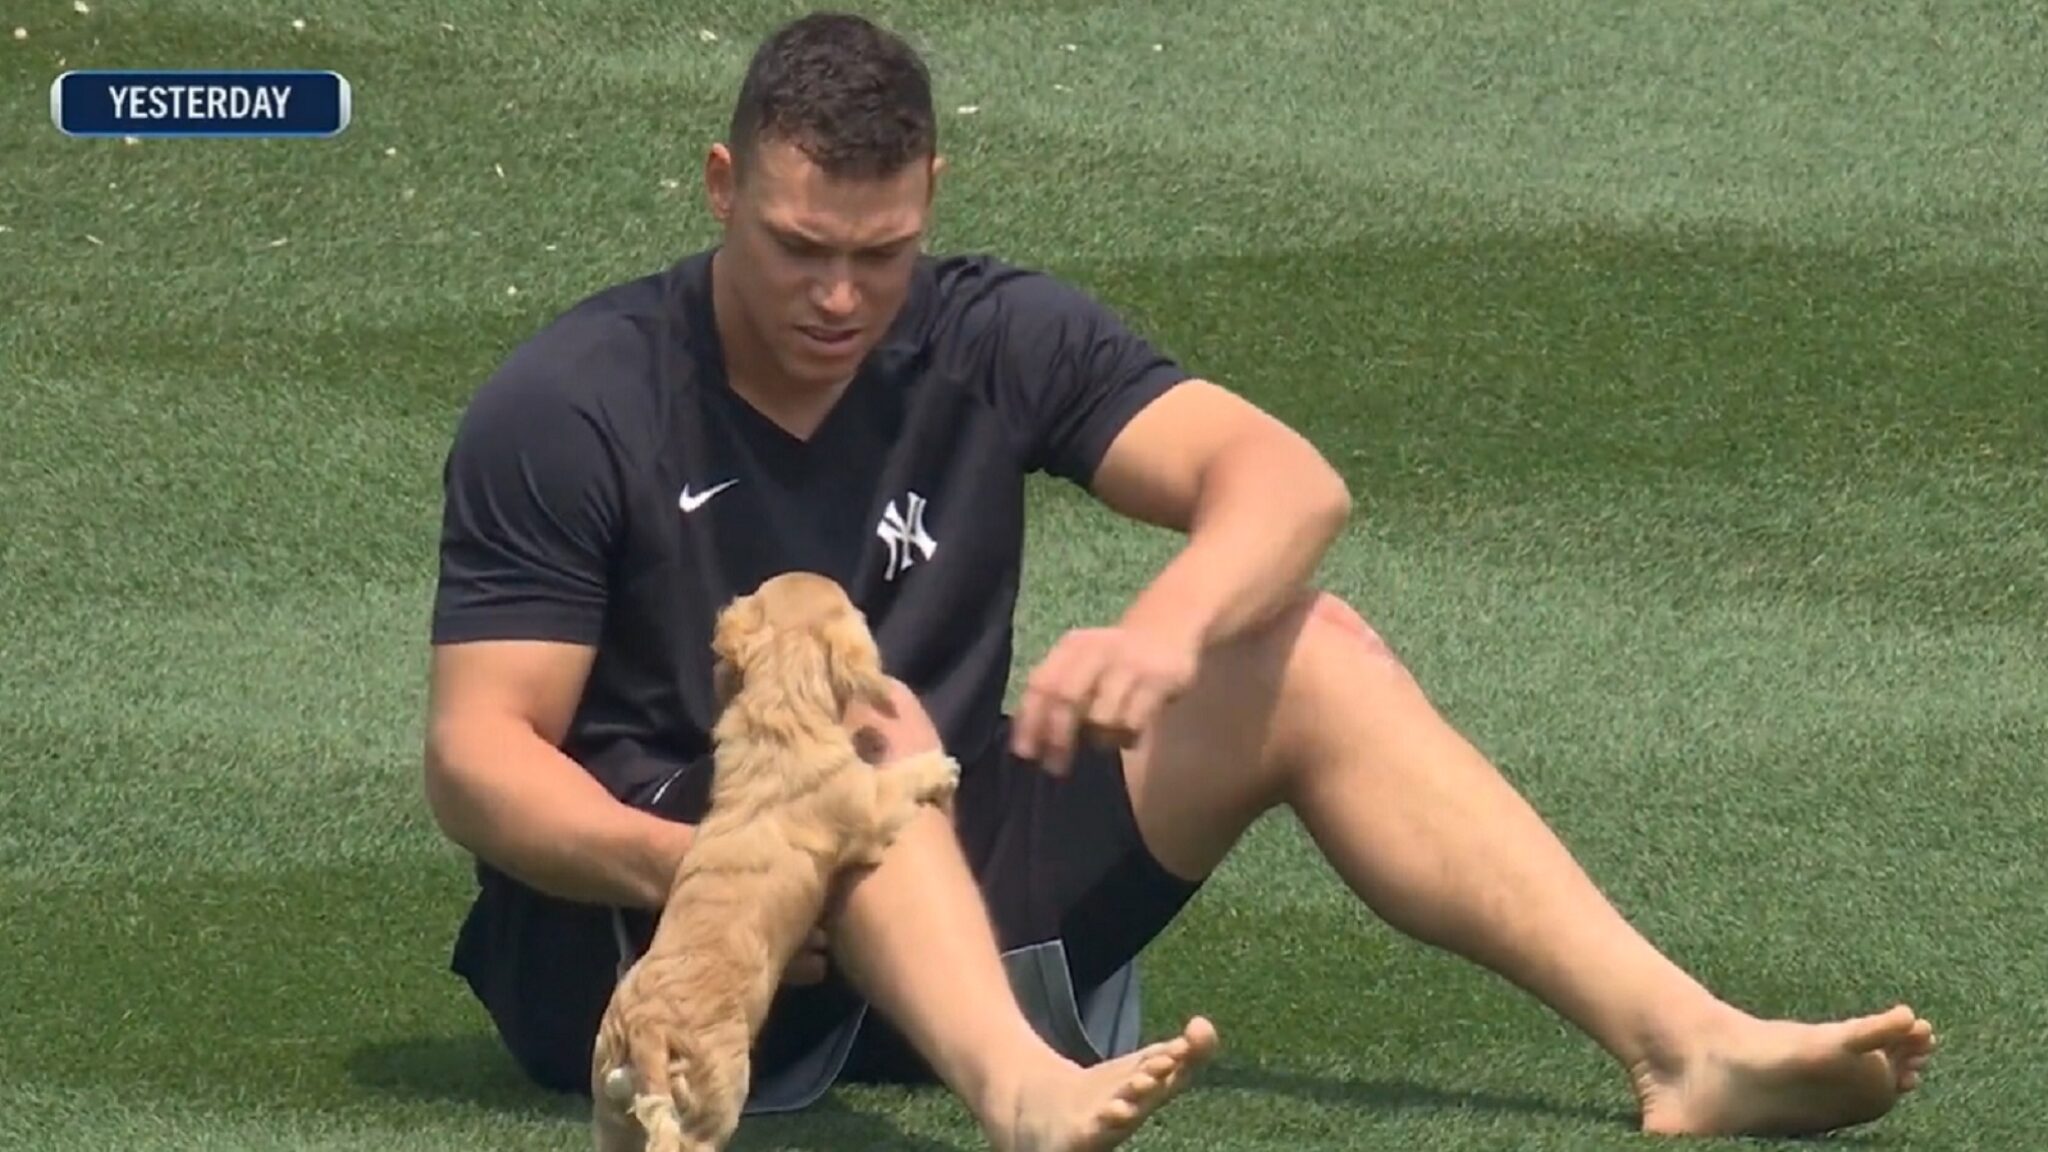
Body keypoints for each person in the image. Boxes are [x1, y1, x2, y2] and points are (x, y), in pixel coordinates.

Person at [421, 10, 1936, 1149]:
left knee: (1305, 649)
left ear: (933, 196)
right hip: (656, 960)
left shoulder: (987, 331)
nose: (838, 296)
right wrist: (699, 868)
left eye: (880, 255)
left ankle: (1684, 1044)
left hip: (924, 903)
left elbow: (1287, 480)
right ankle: (1027, 1096)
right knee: (858, 732)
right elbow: (478, 758)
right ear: (719, 187)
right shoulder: (575, 400)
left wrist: (1163, 630)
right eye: (799, 245)